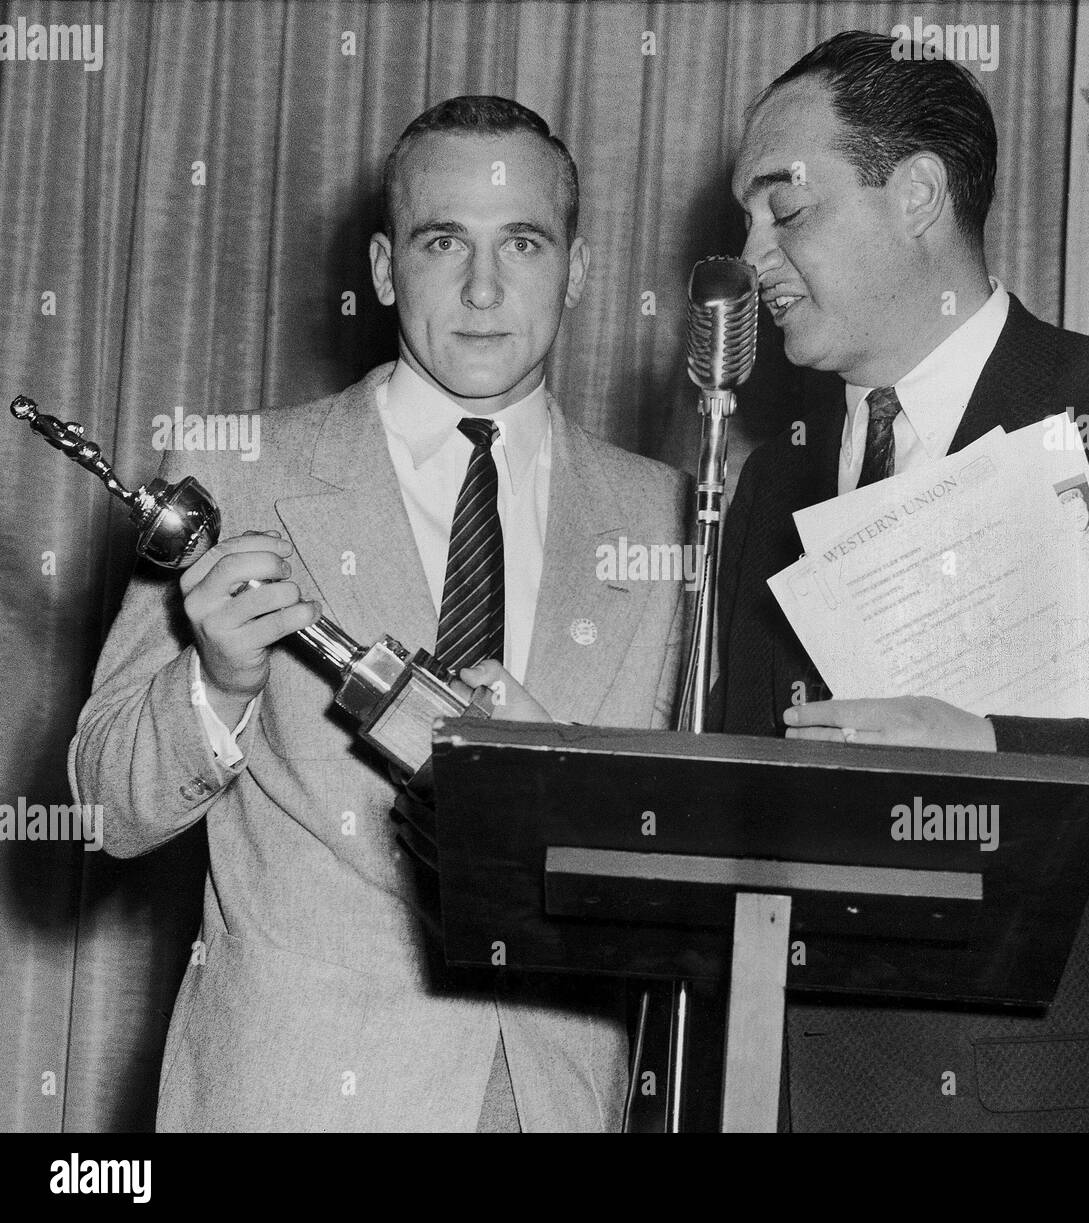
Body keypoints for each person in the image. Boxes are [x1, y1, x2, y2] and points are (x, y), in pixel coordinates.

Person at [714, 31, 1089, 1131]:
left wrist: (991, 753)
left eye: (784, 212)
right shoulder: (767, 478)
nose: (751, 257)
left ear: (919, 195)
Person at [70, 96, 689, 1132]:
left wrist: (569, 777)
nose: (484, 287)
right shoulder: (236, 472)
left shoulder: (674, 516)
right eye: (442, 240)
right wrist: (214, 685)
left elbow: (693, 858)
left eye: (523, 243)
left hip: (554, 1098)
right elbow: (100, 804)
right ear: (383, 267)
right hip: (291, 1097)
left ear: (578, 269)